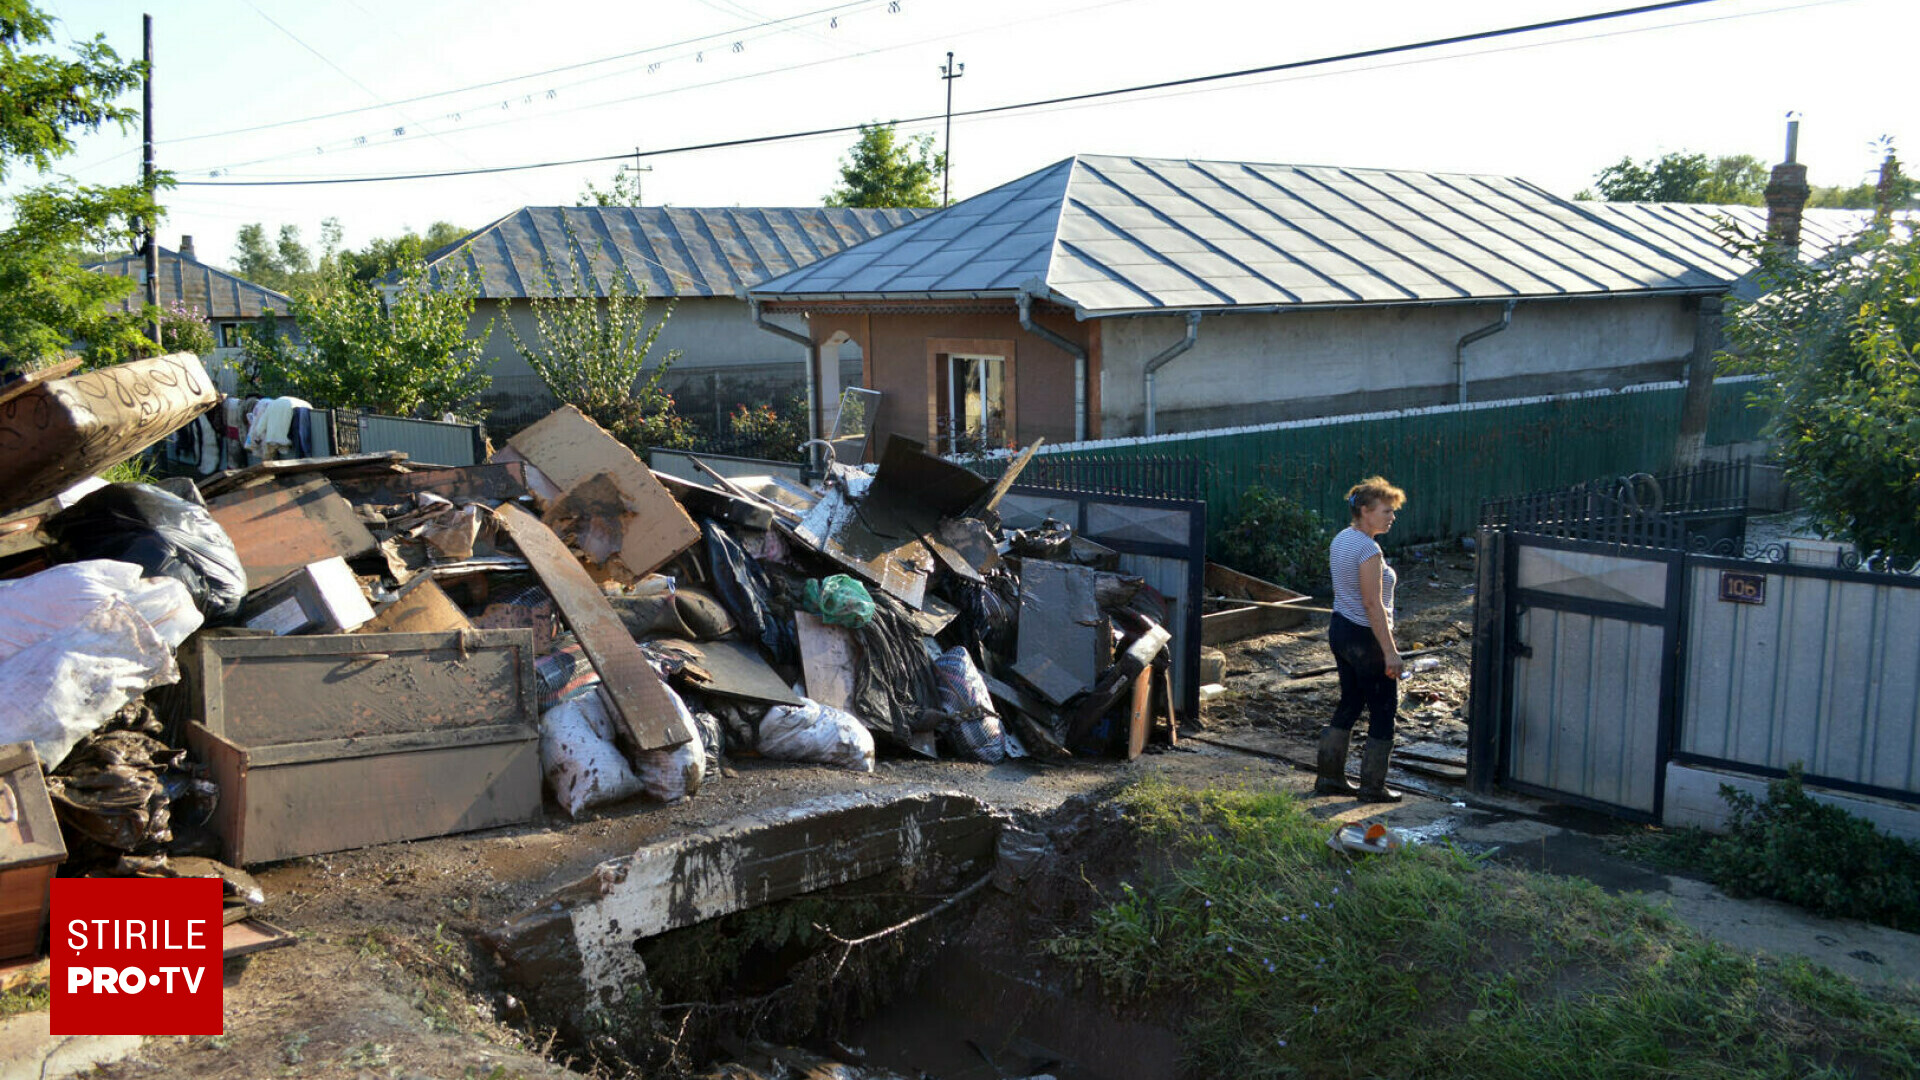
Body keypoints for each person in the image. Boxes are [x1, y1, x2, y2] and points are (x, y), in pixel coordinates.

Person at [1314, 476, 1407, 802]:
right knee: (1383, 708)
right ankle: (1372, 787)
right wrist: (1391, 653)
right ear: (1365, 511)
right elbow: (1372, 604)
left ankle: (1329, 778)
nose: (1391, 517)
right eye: (1386, 511)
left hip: (1340, 629)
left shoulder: (1342, 539)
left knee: (1351, 701)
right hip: (1365, 636)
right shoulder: (1368, 549)